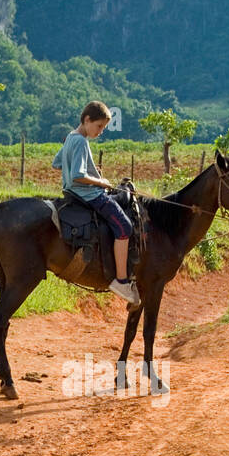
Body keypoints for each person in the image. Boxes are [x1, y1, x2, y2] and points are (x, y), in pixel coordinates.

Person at [52, 101, 140, 307]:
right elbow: (77, 175)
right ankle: (121, 280)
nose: (101, 131)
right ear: (87, 120)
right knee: (125, 227)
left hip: (72, 194)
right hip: (89, 195)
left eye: (103, 128)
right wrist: (101, 181)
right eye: (99, 126)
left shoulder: (70, 138)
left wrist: (90, 169)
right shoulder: (81, 141)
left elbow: (56, 164)